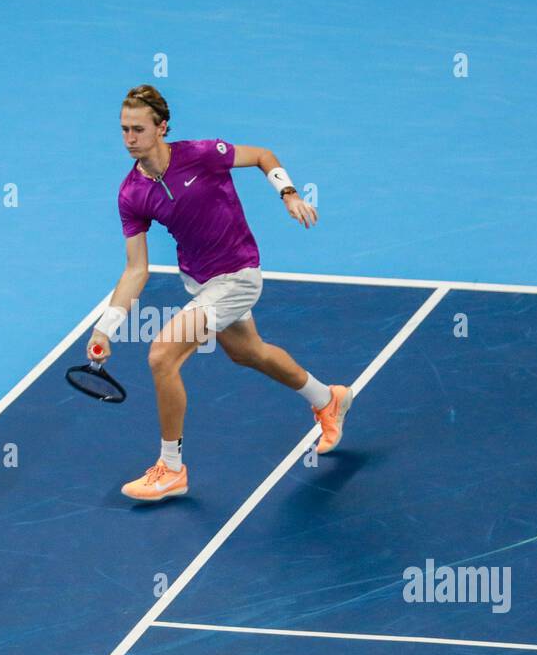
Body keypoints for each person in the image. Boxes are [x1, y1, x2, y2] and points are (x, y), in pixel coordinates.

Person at [88, 84, 352, 502]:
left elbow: (264, 155)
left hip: (239, 276)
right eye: (123, 130)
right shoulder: (131, 193)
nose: (129, 139)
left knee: (161, 354)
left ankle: (171, 468)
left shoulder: (202, 154)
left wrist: (288, 193)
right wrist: (107, 327)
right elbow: (136, 269)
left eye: (138, 129)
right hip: (200, 281)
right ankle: (328, 398)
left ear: (162, 128)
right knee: (250, 352)